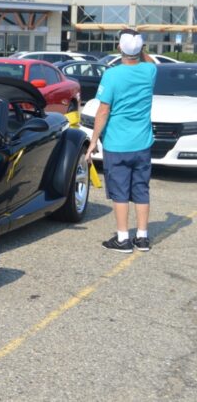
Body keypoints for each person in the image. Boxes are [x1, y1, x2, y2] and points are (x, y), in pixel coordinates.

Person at [85, 28, 156, 253]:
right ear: (141, 48)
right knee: (141, 189)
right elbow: (150, 61)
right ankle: (142, 237)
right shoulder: (149, 71)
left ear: (119, 48)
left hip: (117, 143)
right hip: (142, 142)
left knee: (120, 191)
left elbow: (103, 111)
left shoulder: (112, 75)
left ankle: (123, 238)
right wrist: (140, 48)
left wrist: (93, 141)